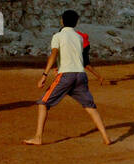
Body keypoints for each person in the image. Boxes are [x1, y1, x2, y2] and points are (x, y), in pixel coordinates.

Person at [27, 10, 110, 146]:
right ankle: (106, 137)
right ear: (76, 22)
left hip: (66, 75)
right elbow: (77, 58)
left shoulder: (58, 36)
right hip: (81, 75)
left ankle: (38, 137)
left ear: (62, 21)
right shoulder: (79, 37)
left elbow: (54, 55)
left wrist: (44, 75)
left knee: (43, 103)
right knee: (90, 107)